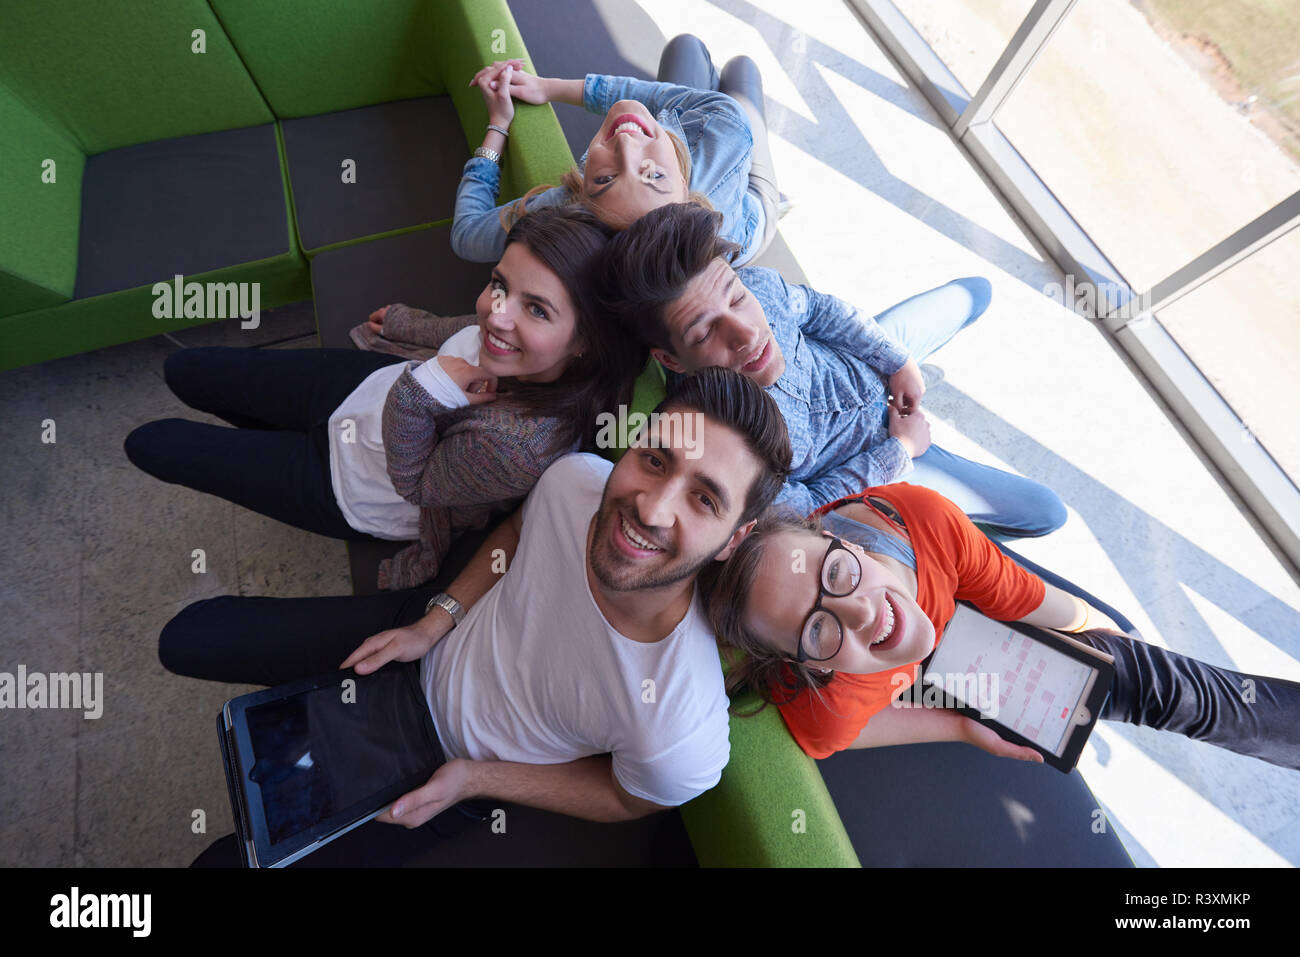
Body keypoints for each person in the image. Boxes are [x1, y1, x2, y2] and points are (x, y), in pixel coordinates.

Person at [164, 368, 792, 865]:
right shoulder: (576, 480)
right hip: (421, 640)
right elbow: (518, 529)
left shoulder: (681, 728)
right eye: (654, 460)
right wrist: (436, 619)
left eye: (704, 498)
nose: (652, 508)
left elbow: (625, 798)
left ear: (735, 538)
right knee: (188, 641)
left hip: (449, 766)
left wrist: (474, 781)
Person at [125, 206, 645, 589]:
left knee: (156, 445)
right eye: (499, 284)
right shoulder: (509, 332)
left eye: (538, 310)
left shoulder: (516, 448)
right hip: (357, 389)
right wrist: (410, 323)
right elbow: (475, 323)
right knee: (187, 368)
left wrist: (423, 393)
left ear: (584, 343)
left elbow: (415, 483)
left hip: (346, 484)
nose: (498, 314)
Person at [699, 483, 1300, 770]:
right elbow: (842, 735)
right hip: (947, 663)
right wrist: (960, 727)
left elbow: (1034, 602)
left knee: (1135, 661)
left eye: (837, 573)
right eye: (817, 631)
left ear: (831, 535)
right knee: (1167, 694)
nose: (859, 612)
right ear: (808, 665)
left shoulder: (927, 521)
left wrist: (1103, 630)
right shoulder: (825, 702)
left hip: (945, 568)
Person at [597, 201, 1067, 536]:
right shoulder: (721, 445)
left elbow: (823, 313)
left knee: (976, 290)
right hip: (880, 454)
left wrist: (896, 360)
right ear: (672, 359)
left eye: (738, 299)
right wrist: (900, 450)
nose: (745, 333)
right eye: (705, 334)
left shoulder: (760, 285)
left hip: (869, 366)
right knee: (1045, 513)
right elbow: (804, 506)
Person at [453, 34, 780, 266]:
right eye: (653, 174)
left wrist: (500, 123)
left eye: (606, 178)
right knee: (740, 68)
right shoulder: (728, 130)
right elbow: (653, 101)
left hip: (693, 141)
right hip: (751, 209)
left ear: (582, 194)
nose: (625, 143)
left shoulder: (576, 206)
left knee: (690, 49)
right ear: (684, 189)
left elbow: (466, 235)